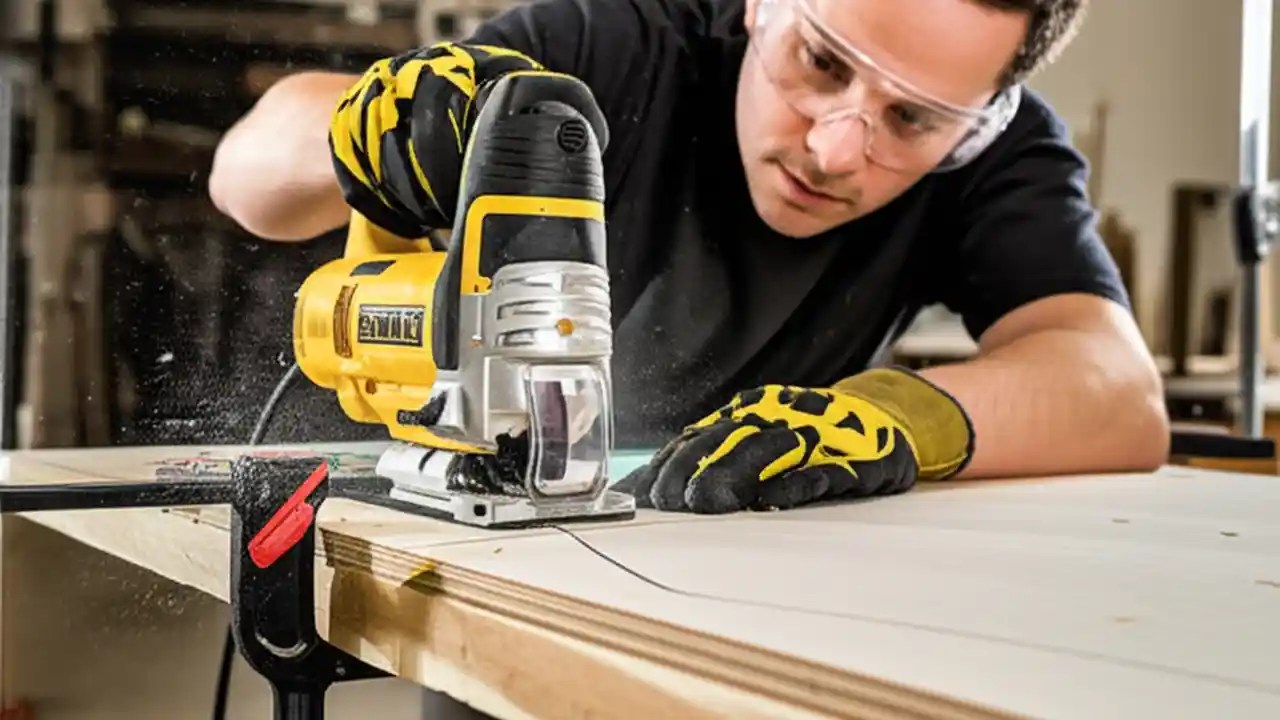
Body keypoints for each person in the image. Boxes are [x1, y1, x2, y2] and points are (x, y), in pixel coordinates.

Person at [209, 0, 1170, 516]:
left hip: (762, 569)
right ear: (762, 5)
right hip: (505, 554)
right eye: (822, 63)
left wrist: (893, 418)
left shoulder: (1004, 157)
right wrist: (370, 120)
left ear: (979, 122)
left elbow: (1119, 393)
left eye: (914, 119)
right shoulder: (605, 48)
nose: (836, 149)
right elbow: (242, 178)